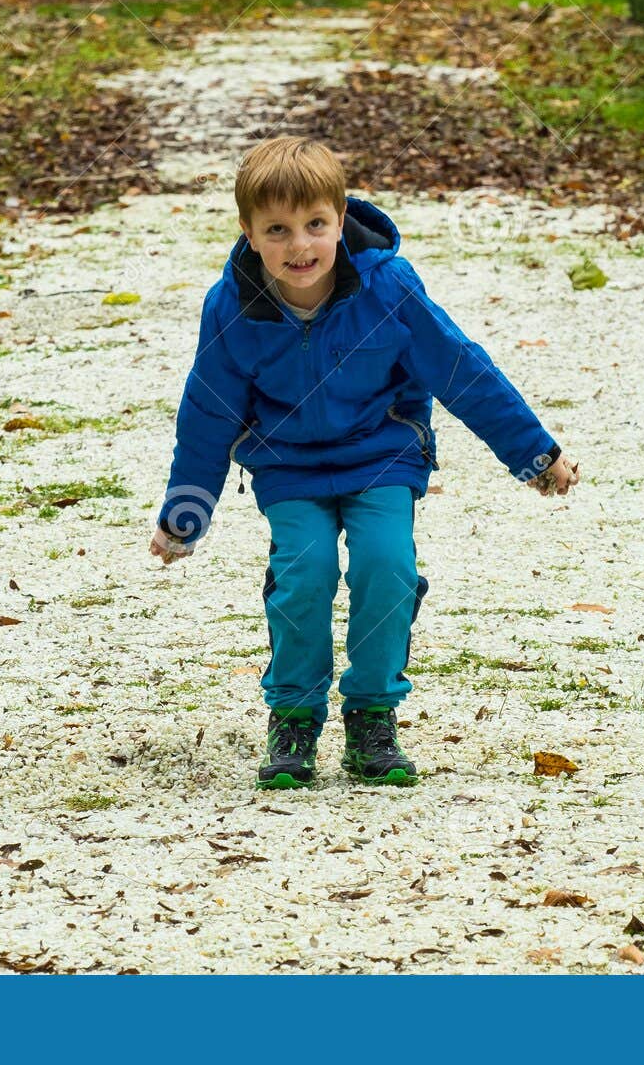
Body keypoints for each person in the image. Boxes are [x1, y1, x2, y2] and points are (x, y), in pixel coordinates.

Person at [149, 136, 579, 789]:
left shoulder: (387, 286)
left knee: (387, 565)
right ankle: (293, 714)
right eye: (278, 230)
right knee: (306, 573)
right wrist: (185, 515)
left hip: (382, 455)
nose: (300, 246)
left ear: (341, 219)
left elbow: (461, 370)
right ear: (249, 232)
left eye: (316, 225)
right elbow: (207, 412)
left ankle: (373, 713)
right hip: (288, 467)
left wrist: (534, 455)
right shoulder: (230, 306)